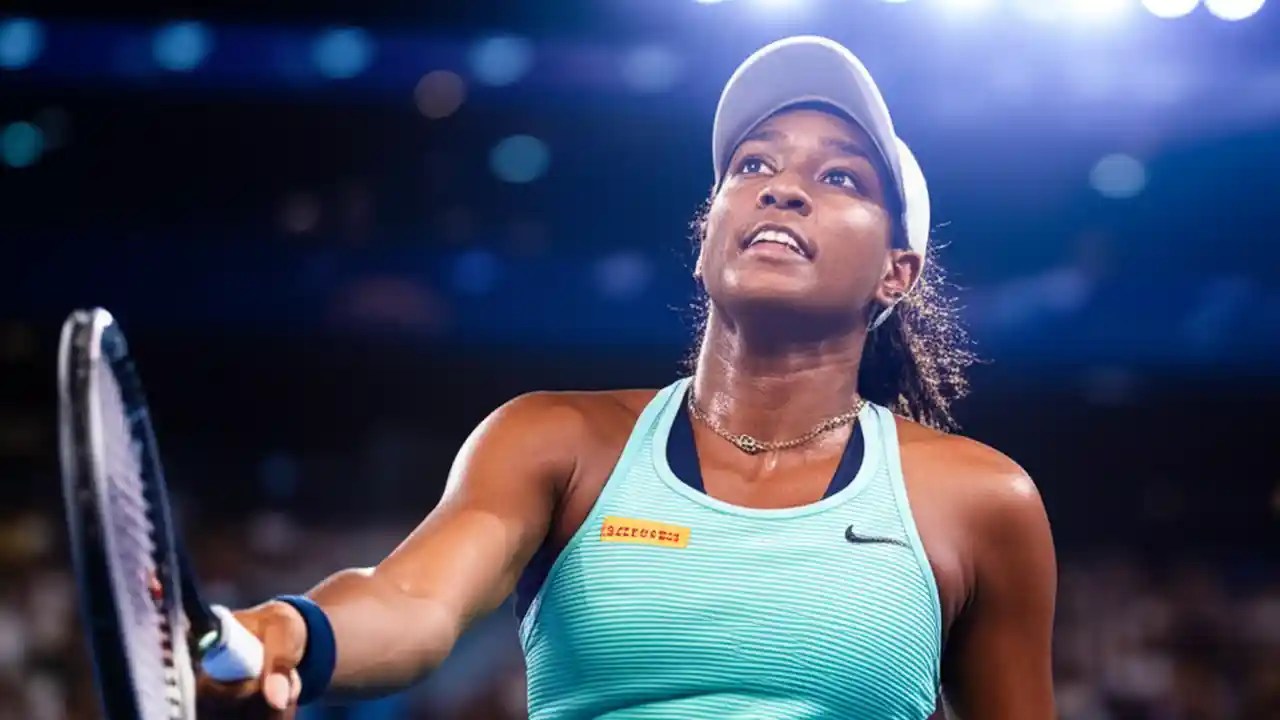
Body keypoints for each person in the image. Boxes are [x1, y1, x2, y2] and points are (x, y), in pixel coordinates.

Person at [201, 35, 1057, 719]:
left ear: (897, 274)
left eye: (840, 177)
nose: (782, 190)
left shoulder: (983, 502)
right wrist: (290, 632)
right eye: (753, 166)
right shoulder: (554, 441)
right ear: (706, 239)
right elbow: (411, 603)